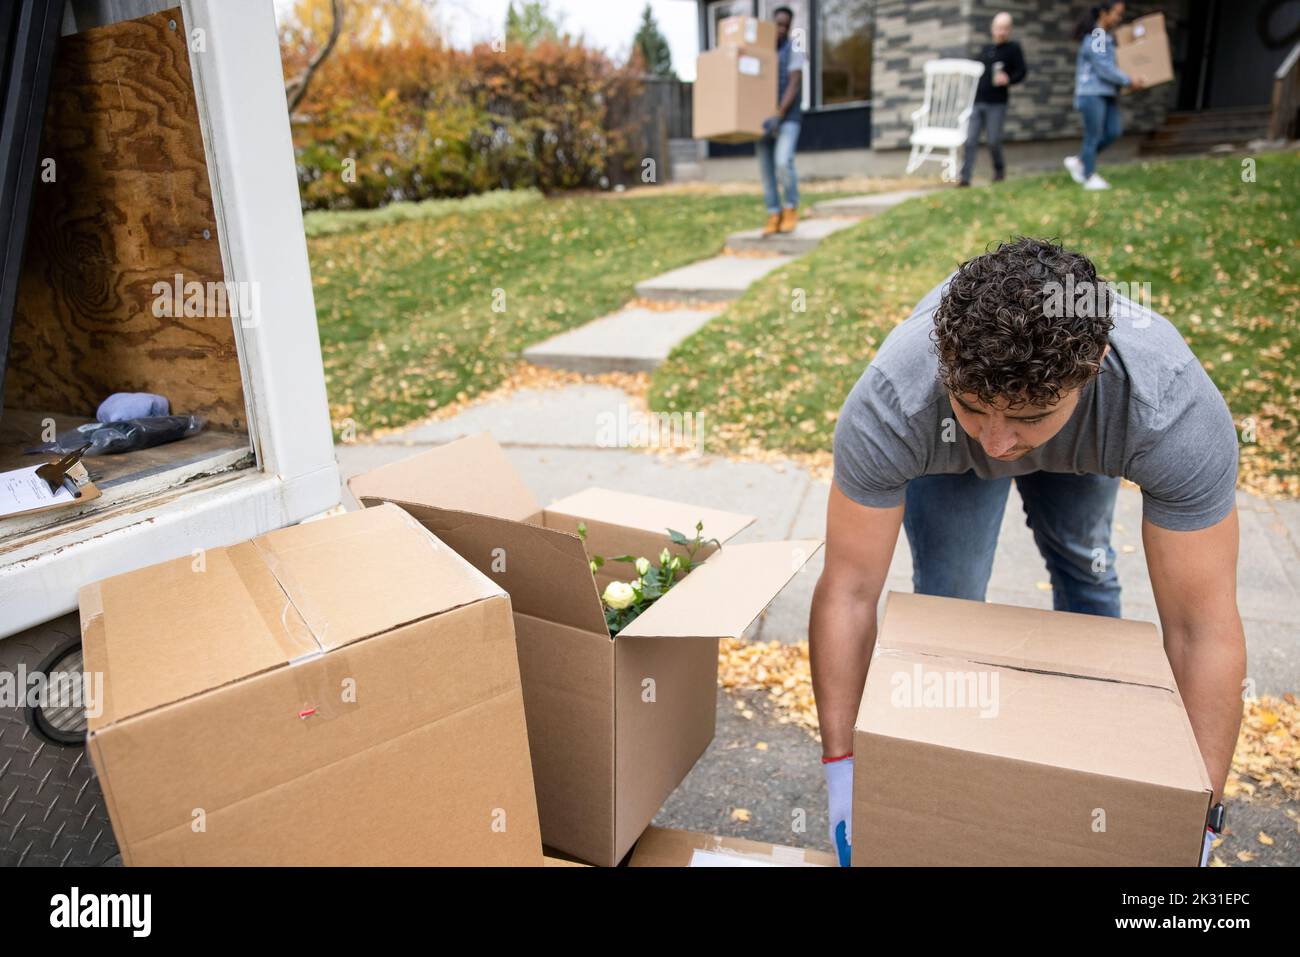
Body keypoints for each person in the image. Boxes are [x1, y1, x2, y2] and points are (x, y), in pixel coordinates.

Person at [813, 238, 1243, 866]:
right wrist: (845, 772)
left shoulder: (1169, 408)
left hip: (1089, 445)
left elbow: (1202, 627)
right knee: (948, 596)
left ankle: (1101, 758)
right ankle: (945, 769)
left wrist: (1196, 817)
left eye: (1029, 418)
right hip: (940, 452)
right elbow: (848, 592)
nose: (997, 444)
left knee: (1083, 563)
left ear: (1093, 367)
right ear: (944, 361)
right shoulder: (894, 402)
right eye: (973, 407)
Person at [1064, 2, 1144, 191]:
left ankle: (1079, 161)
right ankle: (1089, 176)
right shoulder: (1098, 35)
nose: (1119, 18)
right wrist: (1128, 80)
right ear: (1103, 13)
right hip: (1092, 93)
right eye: (1116, 13)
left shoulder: (1105, 36)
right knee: (1093, 136)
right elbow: (1103, 67)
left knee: (1113, 131)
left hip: (1106, 92)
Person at [959, 11, 1027, 187]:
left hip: (997, 103)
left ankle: (999, 171)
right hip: (978, 101)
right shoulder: (986, 50)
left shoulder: (1013, 49)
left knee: (993, 140)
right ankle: (965, 178)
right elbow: (974, 69)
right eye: (998, 28)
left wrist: (1009, 79)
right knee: (970, 140)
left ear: (1009, 30)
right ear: (993, 29)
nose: (1001, 32)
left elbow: (1022, 72)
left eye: (1004, 28)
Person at [757, 6, 804, 236]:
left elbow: (794, 83)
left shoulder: (795, 49)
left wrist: (780, 112)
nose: (782, 29)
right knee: (766, 171)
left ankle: (791, 208)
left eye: (786, 25)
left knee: (783, 162)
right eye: (778, 24)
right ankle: (774, 213)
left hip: (788, 118)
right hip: (762, 120)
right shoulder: (760, 51)